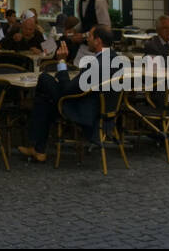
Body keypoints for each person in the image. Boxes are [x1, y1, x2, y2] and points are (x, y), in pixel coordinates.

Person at [18, 25, 113, 162]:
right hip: (102, 108)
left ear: (98, 41)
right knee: (45, 100)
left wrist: (61, 62)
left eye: (90, 37)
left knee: (44, 80)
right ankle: (38, 149)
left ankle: (37, 147)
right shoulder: (114, 59)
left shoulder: (96, 65)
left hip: (83, 110)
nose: (87, 40)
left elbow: (67, 89)